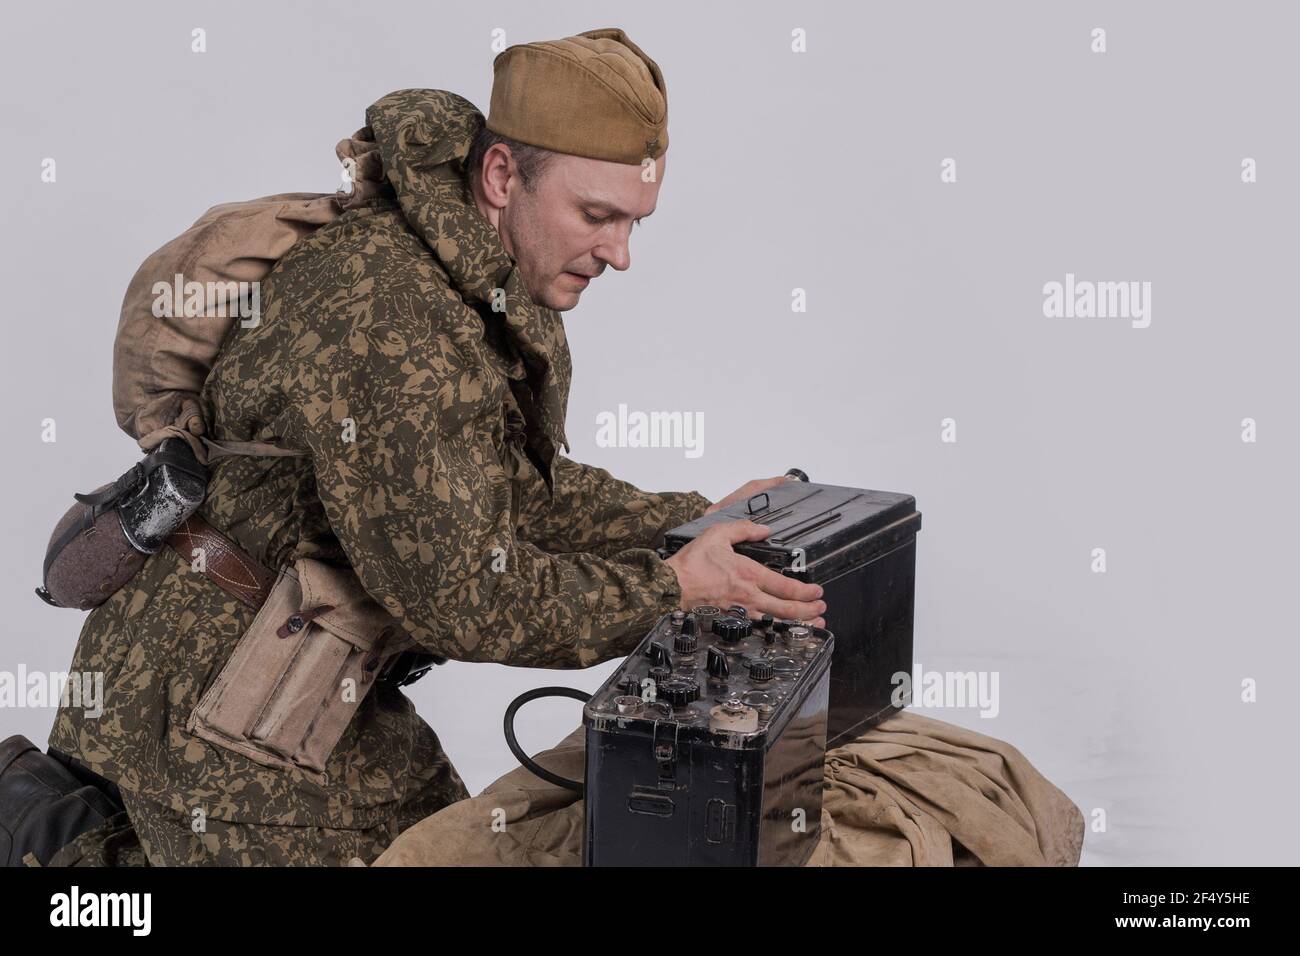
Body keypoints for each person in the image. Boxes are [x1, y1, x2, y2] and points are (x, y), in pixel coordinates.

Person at [41, 27, 826, 866]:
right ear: (500, 176)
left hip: (311, 684)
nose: (619, 254)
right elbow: (464, 596)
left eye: (633, 222)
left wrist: (697, 519)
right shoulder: (395, 316)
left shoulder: (459, 277)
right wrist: (671, 587)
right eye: (596, 216)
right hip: (209, 720)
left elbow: (517, 491)